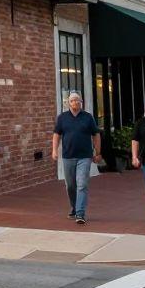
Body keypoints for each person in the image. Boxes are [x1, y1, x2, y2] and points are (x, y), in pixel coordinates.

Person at [51, 91, 101, 225]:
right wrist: (54, 150)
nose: (75, 102)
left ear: (81, 103)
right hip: (68, 156)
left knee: (82, 184)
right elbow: (57, 135)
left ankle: (80, 213)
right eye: (72, 100)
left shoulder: (88, 117)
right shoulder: (62, 118)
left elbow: (96, 135)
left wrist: (97, 152)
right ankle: (74, 207)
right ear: (68, 103)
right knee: (70, 186)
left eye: (77, 100)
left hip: (85, 156)